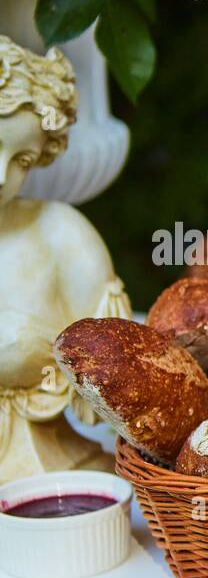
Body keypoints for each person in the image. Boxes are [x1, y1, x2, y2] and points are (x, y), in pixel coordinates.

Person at [0, 36, 130, 482]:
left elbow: (113, 368)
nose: (2, 175)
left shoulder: (64, 236)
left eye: (21, 158)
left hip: (55, 465)